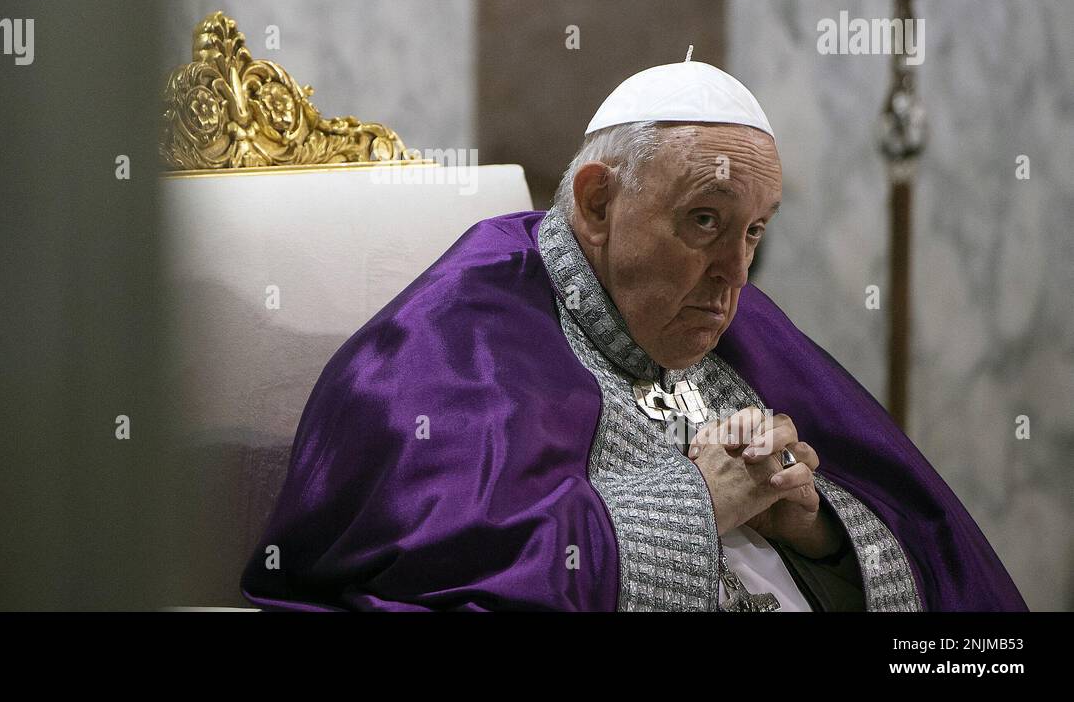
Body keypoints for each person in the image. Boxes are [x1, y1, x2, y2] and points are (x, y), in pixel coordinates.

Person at [239, 56, 1027, 611]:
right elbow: (427, 577)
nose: (734, 277)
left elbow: (925, 547)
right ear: (595, 203)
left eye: (753, 232)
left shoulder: (738, 323)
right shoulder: (457, 337)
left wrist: (817, 536)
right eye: (704, 221)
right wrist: (695, 504)